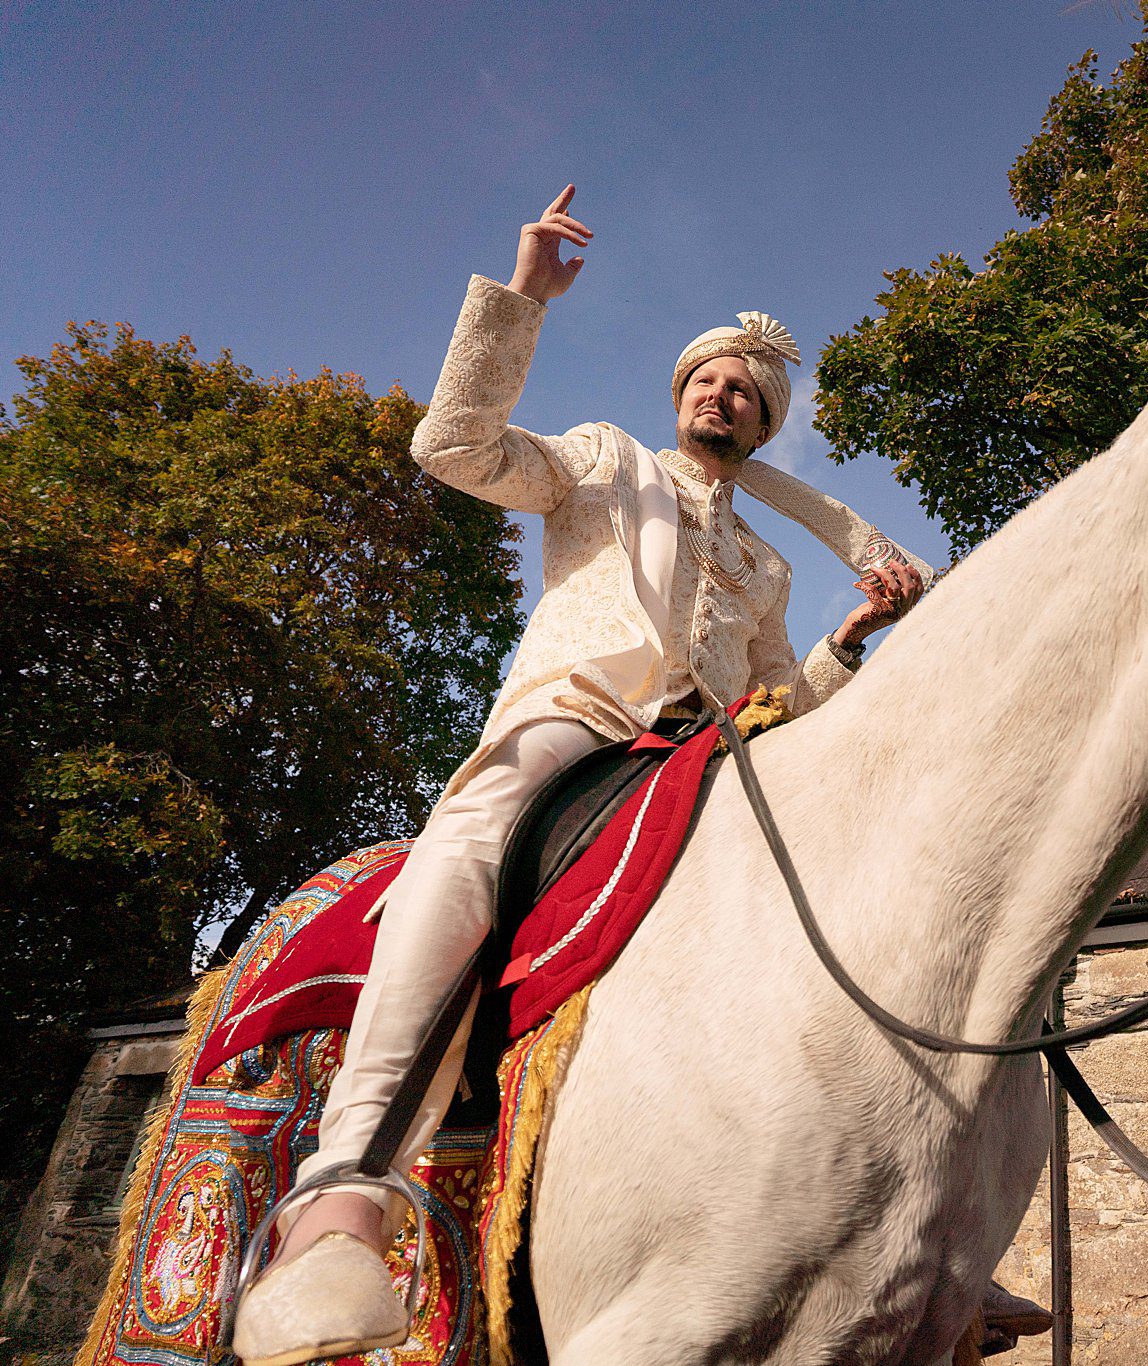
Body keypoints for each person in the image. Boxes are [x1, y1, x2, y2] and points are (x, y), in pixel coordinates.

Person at [231, 185, 938, 1364]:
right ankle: (344, 1190)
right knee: (474, 842)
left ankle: (904, 1230)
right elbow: (451, 447)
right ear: (682, 397)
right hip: (579, 721)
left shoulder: (764, 559)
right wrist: (525, 297)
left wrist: (847, 638)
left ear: (764, 428)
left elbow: (785, 704)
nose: (724, 397)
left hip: (710, 760)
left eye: (747, 395)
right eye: (710, 381)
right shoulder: (607, 463)